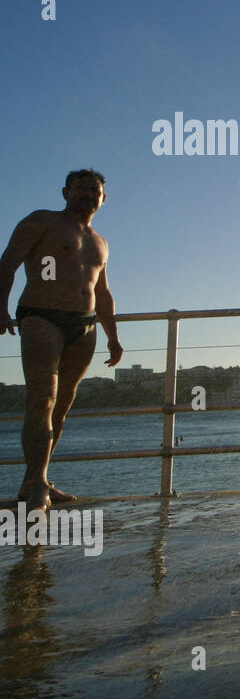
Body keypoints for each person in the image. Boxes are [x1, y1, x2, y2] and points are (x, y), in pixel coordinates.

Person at [0, 170, 125, 511]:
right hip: (42, 316)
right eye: (80, 188)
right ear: (65, 192)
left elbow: (103, 292)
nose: (87, 194)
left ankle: (34, 480)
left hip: (84, 325)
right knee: (43, 398)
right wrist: (0, 307)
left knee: (64, 404)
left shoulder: (101, 242)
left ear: (103, 198)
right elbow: (7, 263)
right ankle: (38, 483)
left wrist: (113, 336)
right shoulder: (42, 221)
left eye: (94, 189)